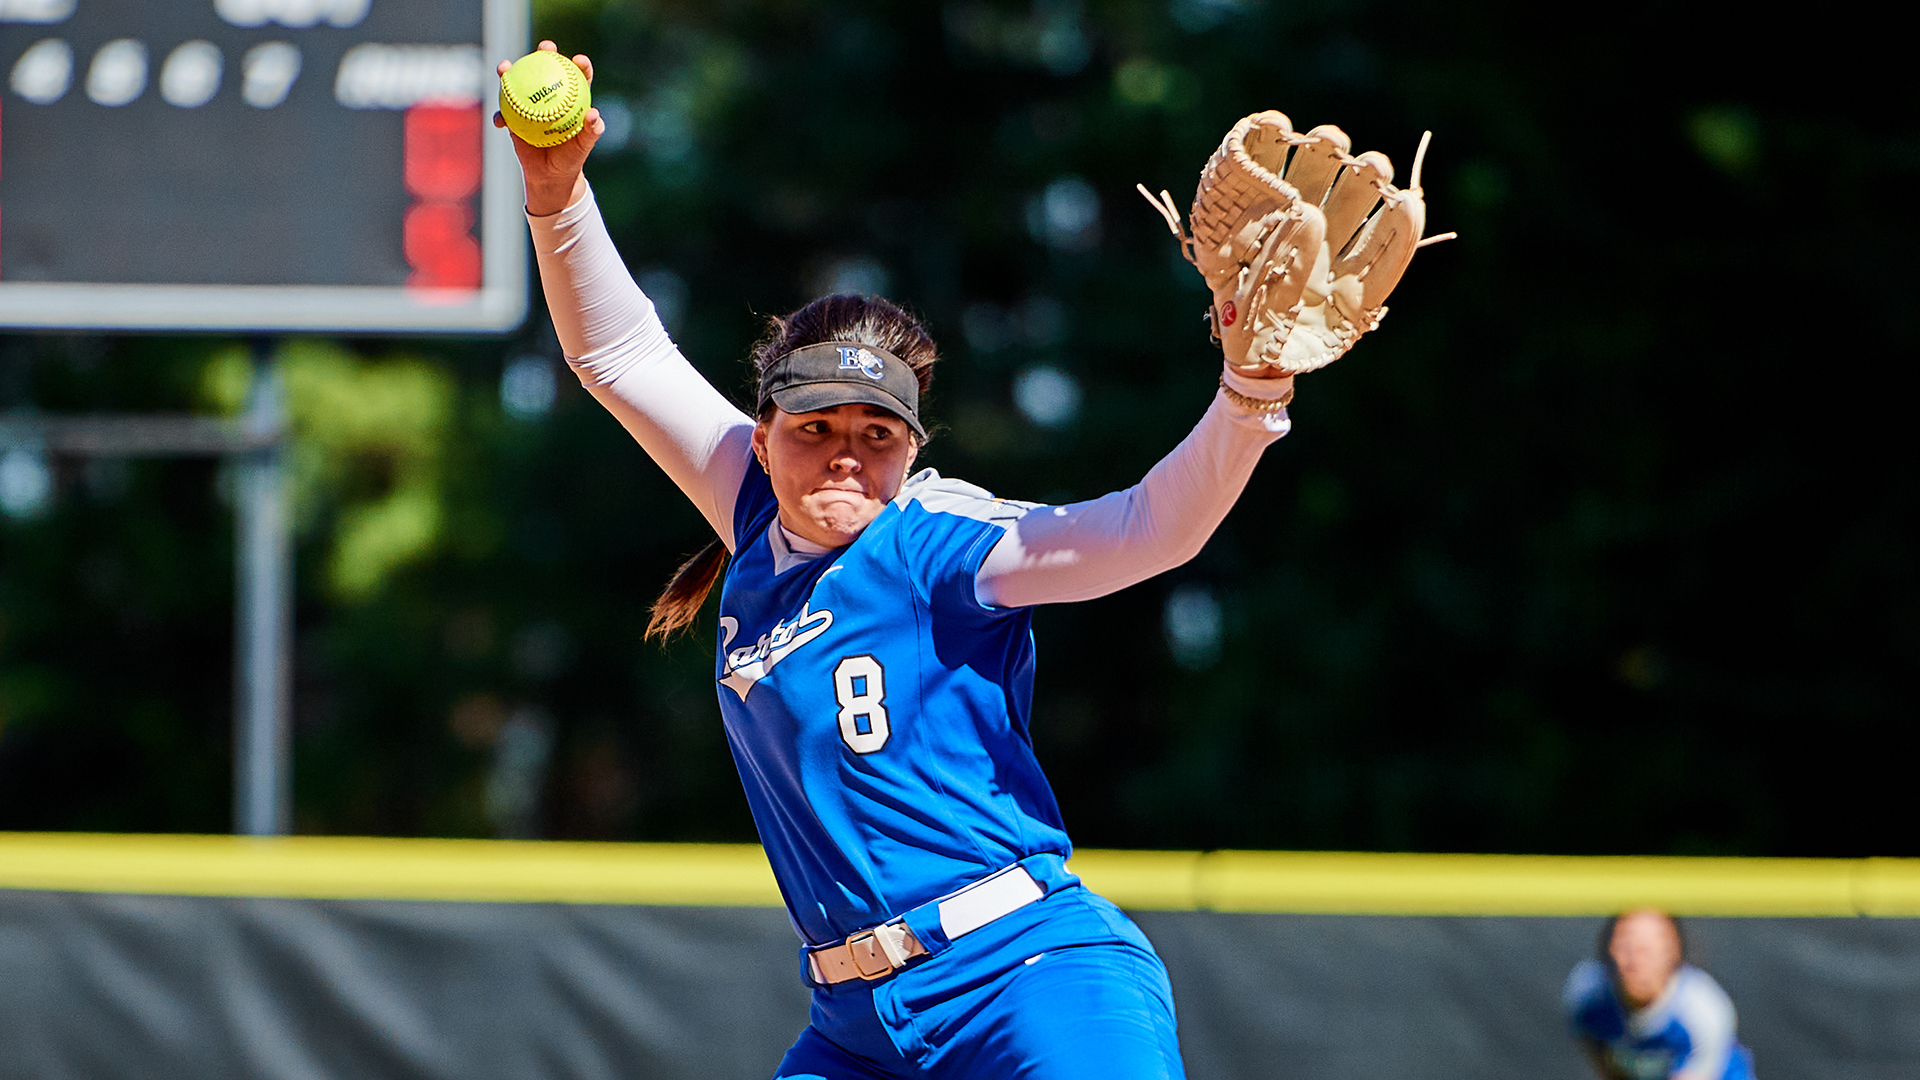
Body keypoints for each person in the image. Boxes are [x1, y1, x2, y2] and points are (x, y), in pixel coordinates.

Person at [498, 42, 1299, 1080]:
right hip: (856, 1032)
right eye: (813, 425)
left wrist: (1250, 396)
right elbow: (619, 355)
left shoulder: (937, 546)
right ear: (764, 430)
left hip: (1029, 975)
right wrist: (554, 191)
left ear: (913, 447)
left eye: (877, 432)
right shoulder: (750, 506)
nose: (843, 451)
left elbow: (1152, 528)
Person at [1565, 908, 1757, 1080]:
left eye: (1647, 948)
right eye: (1625, 941)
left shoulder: (1702, 1013)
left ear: (1673, 951)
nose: (1635, 959)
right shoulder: (1586, 996)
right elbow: (1600, 1056)